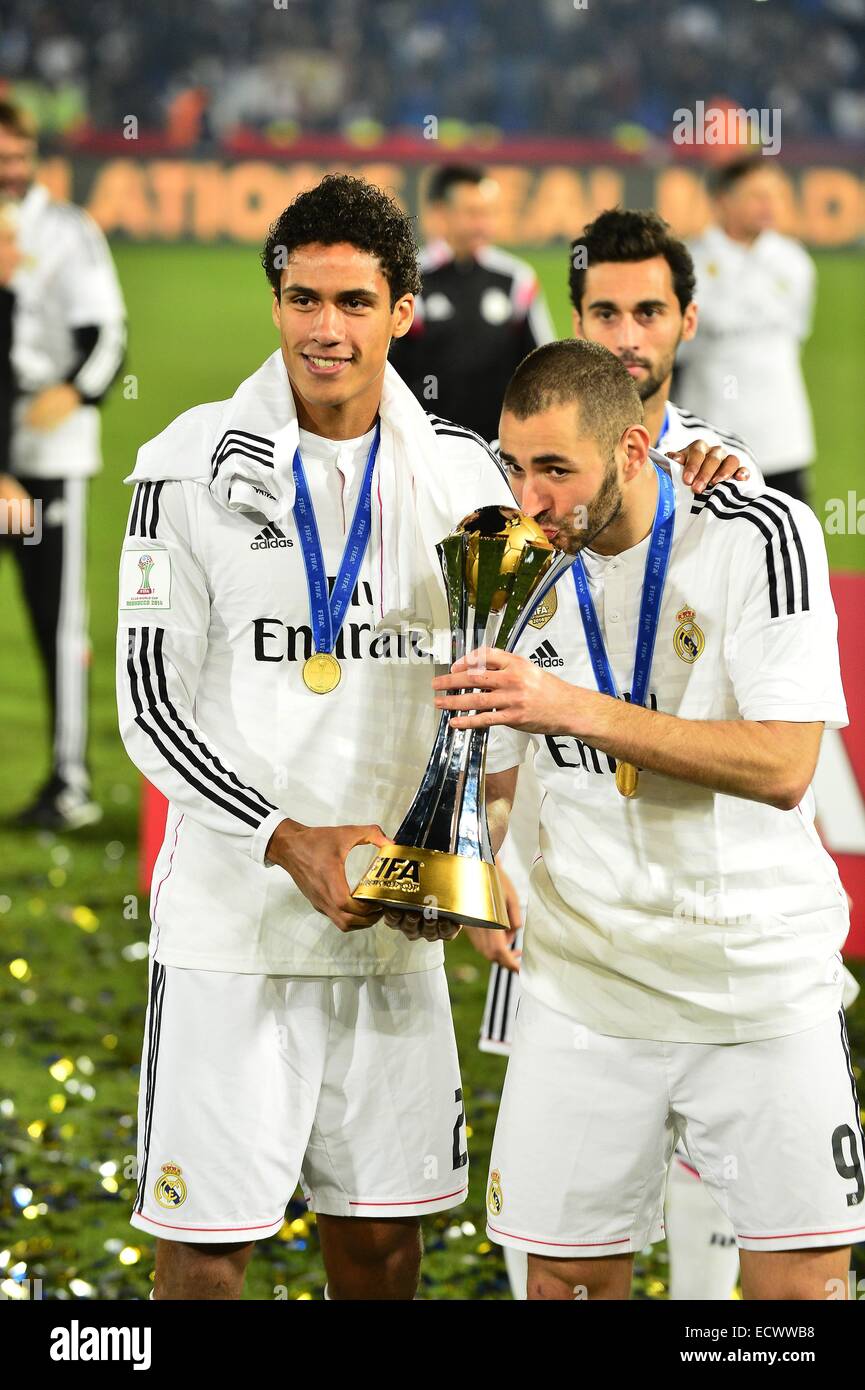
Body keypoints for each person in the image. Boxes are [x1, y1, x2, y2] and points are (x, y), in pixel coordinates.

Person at [115, 174, 518, 1301]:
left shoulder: (465, 475)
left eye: (352, 301)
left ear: (402, 310)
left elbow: (498, 690)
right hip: (232, 932)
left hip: (390, 926)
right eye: (302, 299)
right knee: (205, 1251)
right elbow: (149, 703)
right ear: (277, 301)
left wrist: (464, 859)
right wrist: (285, 835)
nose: (324, 329)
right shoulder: (181, 465)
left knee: (384, 1244)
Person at [433, 338, 862, 1300]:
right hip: (584, 987)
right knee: (565, 1286)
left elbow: (785, 765)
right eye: (514, 464)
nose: (530, 497)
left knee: (795, 1295)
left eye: (555, 470)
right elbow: (492, 765)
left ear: (631, 452)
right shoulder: (513, 553)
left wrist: (572, 707)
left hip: (753, 981)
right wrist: (481, 852)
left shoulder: (759, 534)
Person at [472, 208, 760, 1300]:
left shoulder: (729, 490)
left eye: (649, 312)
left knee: (704, 1174)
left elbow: (768, 733)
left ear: (687, 320)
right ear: (572, 315)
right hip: (562, 900)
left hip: (694, 908)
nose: (628, 336)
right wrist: (482, 843)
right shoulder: (523, 496)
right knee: (553, 1223)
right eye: (604, 311)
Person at [0, 100, 126, 830]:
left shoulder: (68, 232)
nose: (9, 173)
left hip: (47, 454)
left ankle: (68, 781)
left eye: (17, 157)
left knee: (56, 620)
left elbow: (107, 334)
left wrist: (76, 391)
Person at [676, 156, 817, 504]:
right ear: (723, 200)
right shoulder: (687, 262)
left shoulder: (794, 262)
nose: (768, 204)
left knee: (787, 544)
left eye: (774, 194)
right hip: (708, 441)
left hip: (784, 437)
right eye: (757, 195)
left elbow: (798, 332)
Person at [388, 163, 556, 442]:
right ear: (440, 213)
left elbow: (543, 367)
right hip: (426, 446)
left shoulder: (516, 279)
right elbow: (387, 368)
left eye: (489, 213)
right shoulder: (410, 279)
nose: (483, 224)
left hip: (500, 449)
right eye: (472, 213)